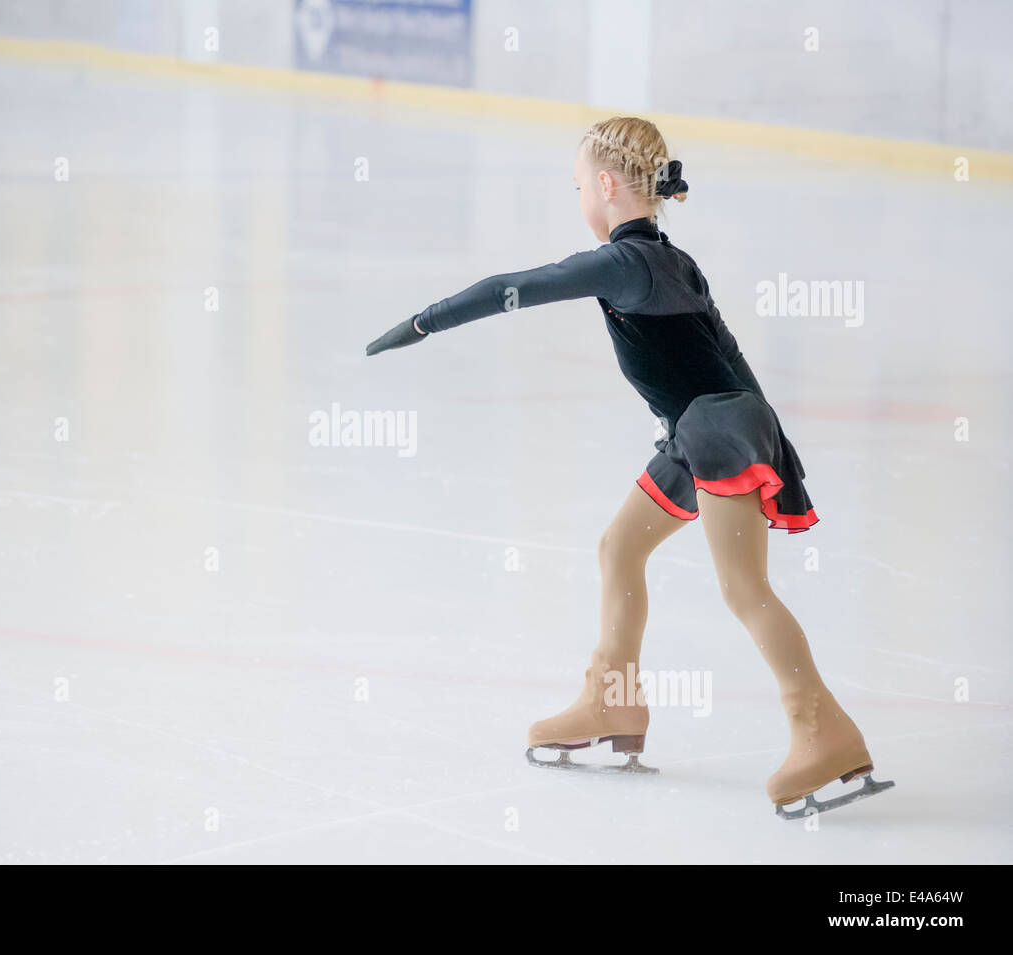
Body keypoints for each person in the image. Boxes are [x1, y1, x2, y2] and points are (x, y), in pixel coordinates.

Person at [365, 116, 892, 818]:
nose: (580, 196)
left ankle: (821, 727)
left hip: (714, 430)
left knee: (745, 590)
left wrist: (425, 321)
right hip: (704, 428)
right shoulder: (673, 259)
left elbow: (516, 285)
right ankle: (611, 704)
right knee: (620, 548)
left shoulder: (624, 262)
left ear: (608, 185)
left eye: (580, 184)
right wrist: (765, 437)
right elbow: (728, 355)